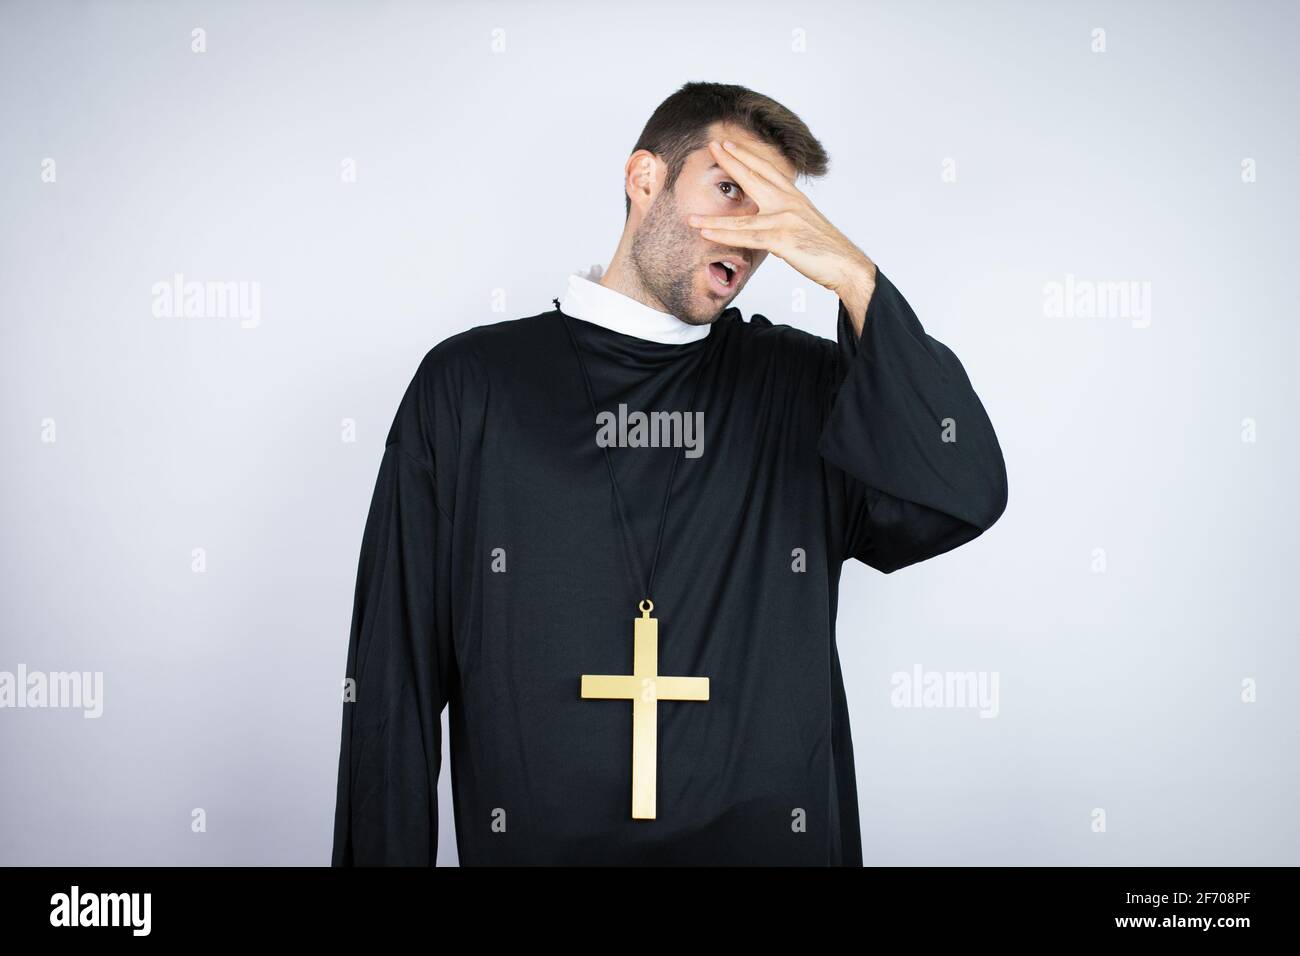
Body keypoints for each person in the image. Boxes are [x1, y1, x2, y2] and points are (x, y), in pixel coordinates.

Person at [332, 81, 1008, 866]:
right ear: (644, 178)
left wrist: (857, 279)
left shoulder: (802, 389)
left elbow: (962, 491)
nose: (752, 237)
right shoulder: (472, 386)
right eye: (731, 191)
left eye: (776, 213)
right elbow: (392, 684)